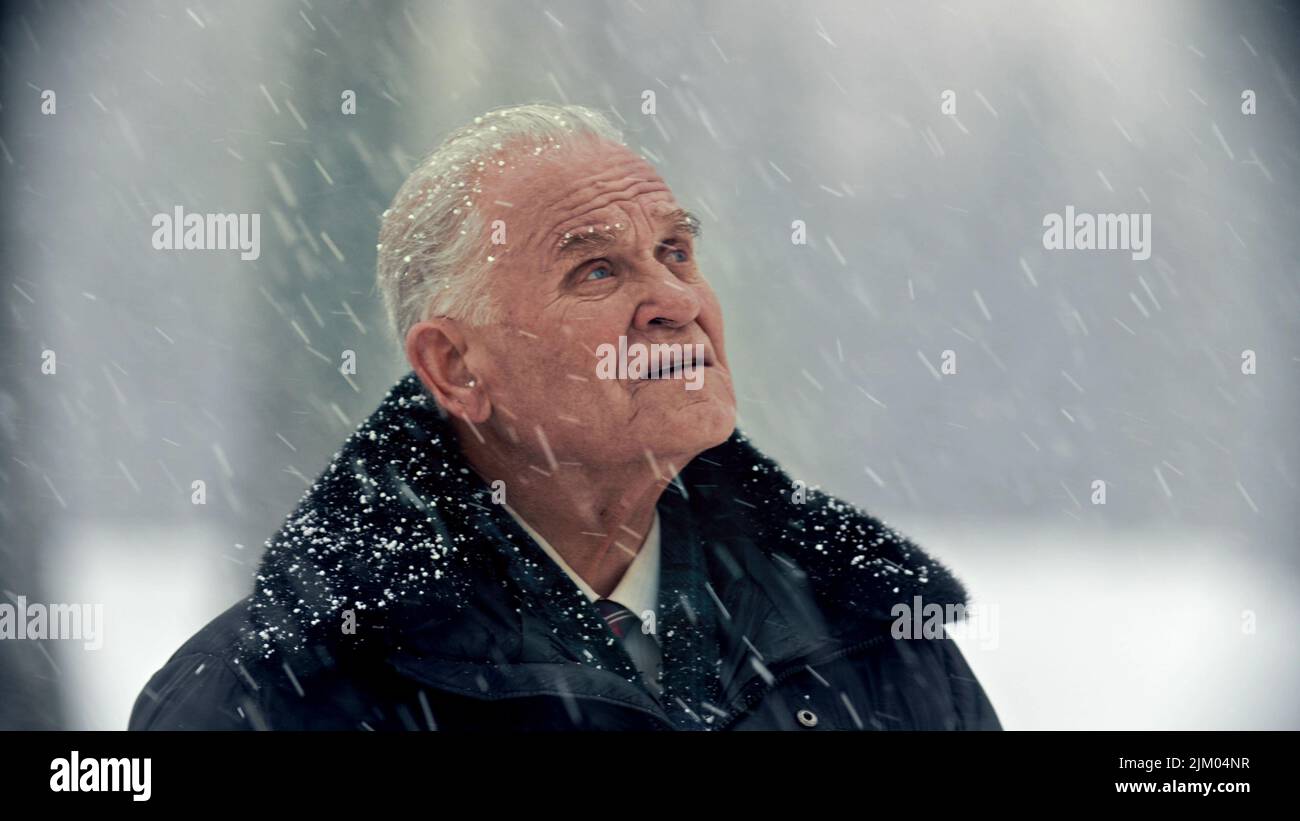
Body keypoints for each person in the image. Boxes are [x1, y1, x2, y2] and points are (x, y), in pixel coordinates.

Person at [128, 102, 1001, 731]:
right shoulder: (271, 693)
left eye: (676, 251)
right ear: (456, 366)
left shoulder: (870, 638)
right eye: (597, 271)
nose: (675, 299)